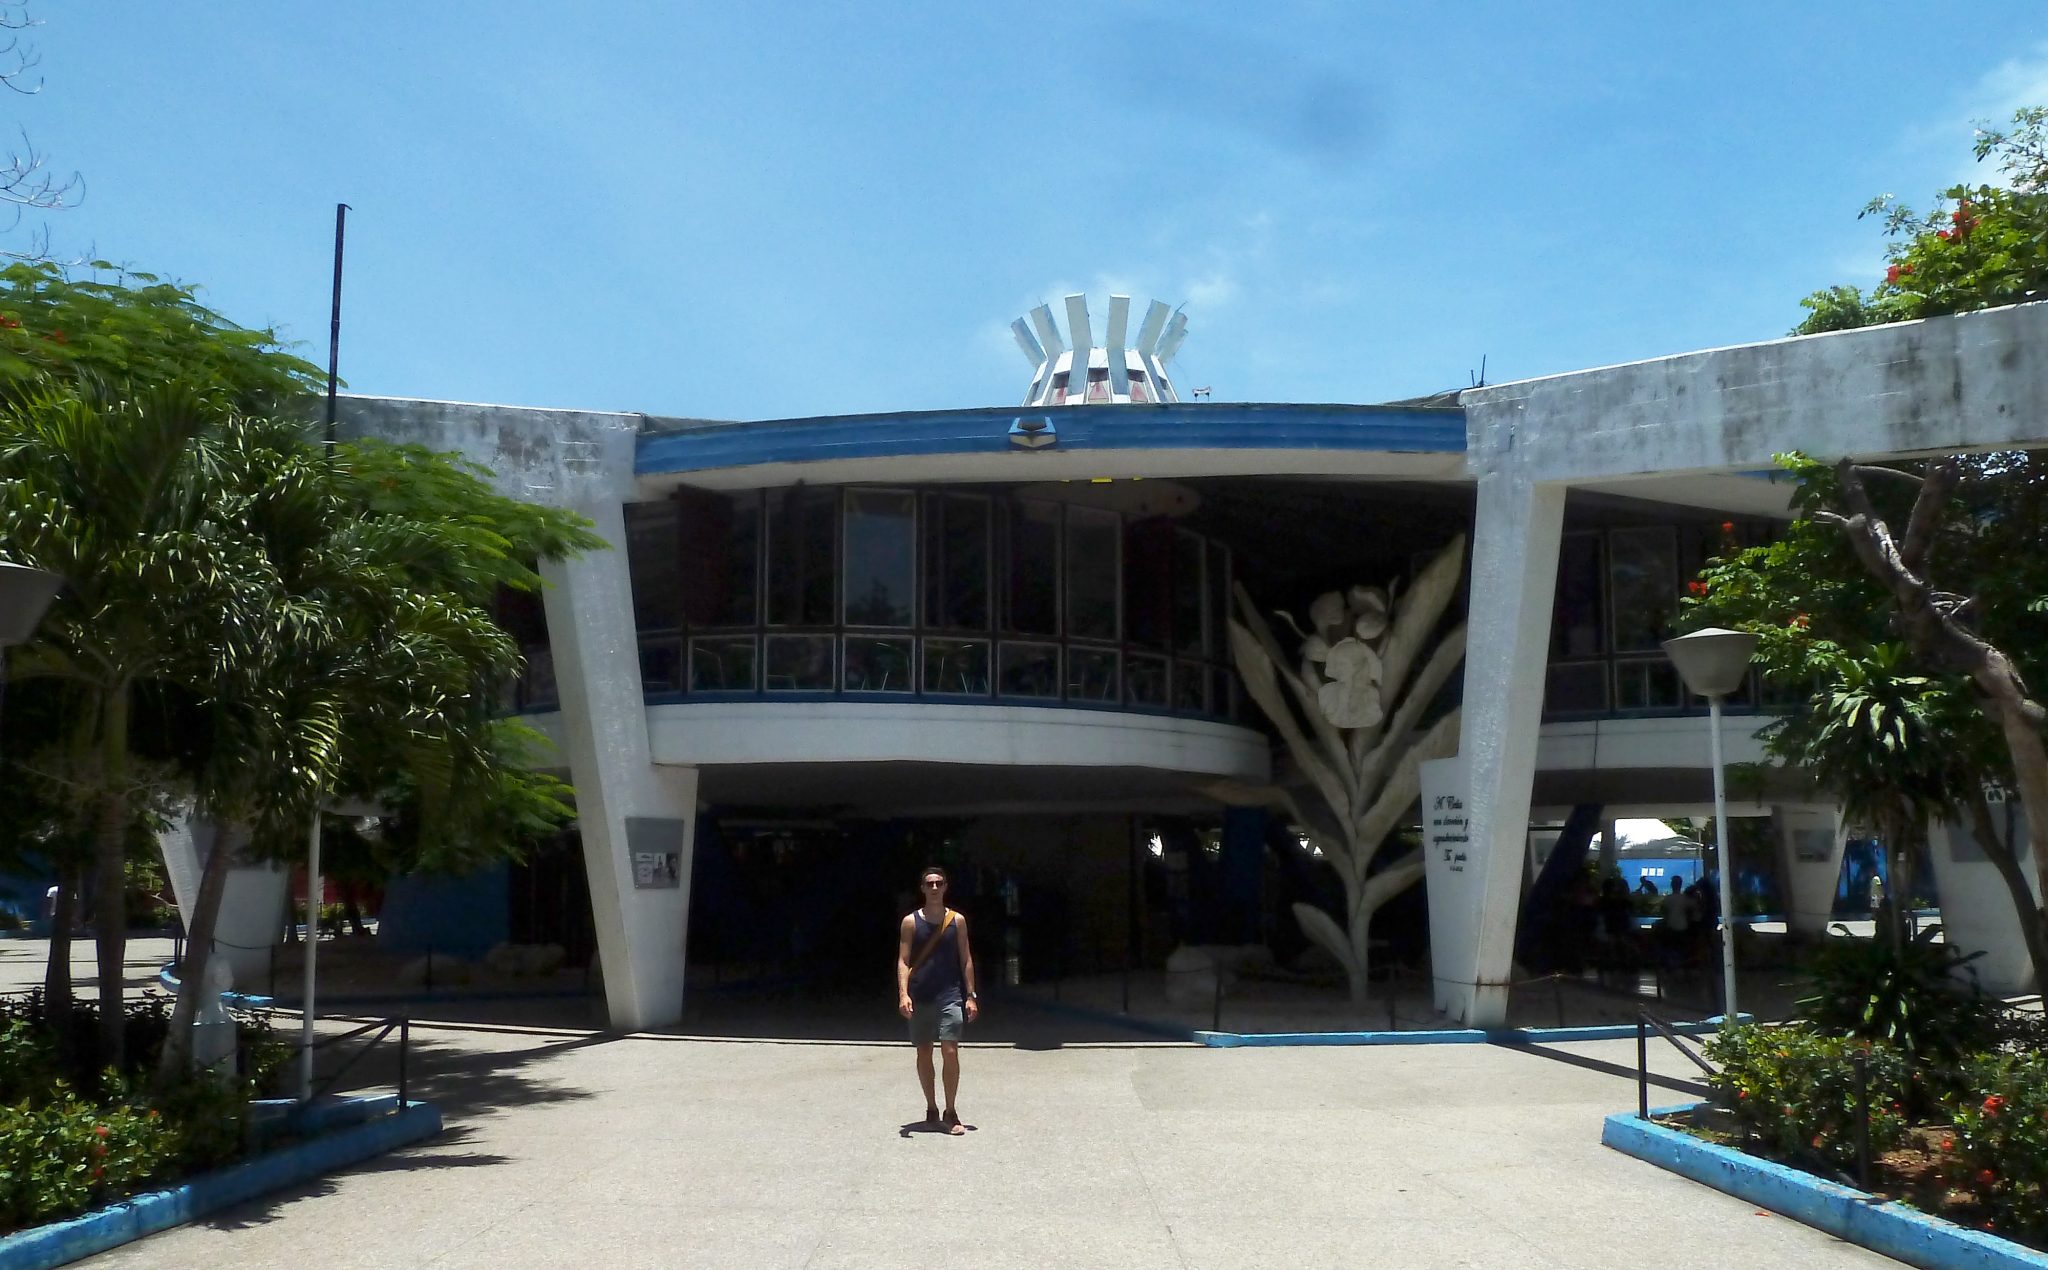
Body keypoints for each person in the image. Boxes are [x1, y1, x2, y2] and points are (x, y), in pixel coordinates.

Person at [897, 866, 978, 1135]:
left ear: (945, 887)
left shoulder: (957, 921)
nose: (934, 888)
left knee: (950, 1050)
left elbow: (965, 958)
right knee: (923, 1050)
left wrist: (970, 995)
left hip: (950, 994)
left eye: (939, 883)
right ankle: (931, 1106)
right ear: (922, 888)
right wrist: (903, 993)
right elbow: (904, 960)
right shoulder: (910, 921)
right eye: (929, 884)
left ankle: (951, 1110)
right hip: (921, 994)